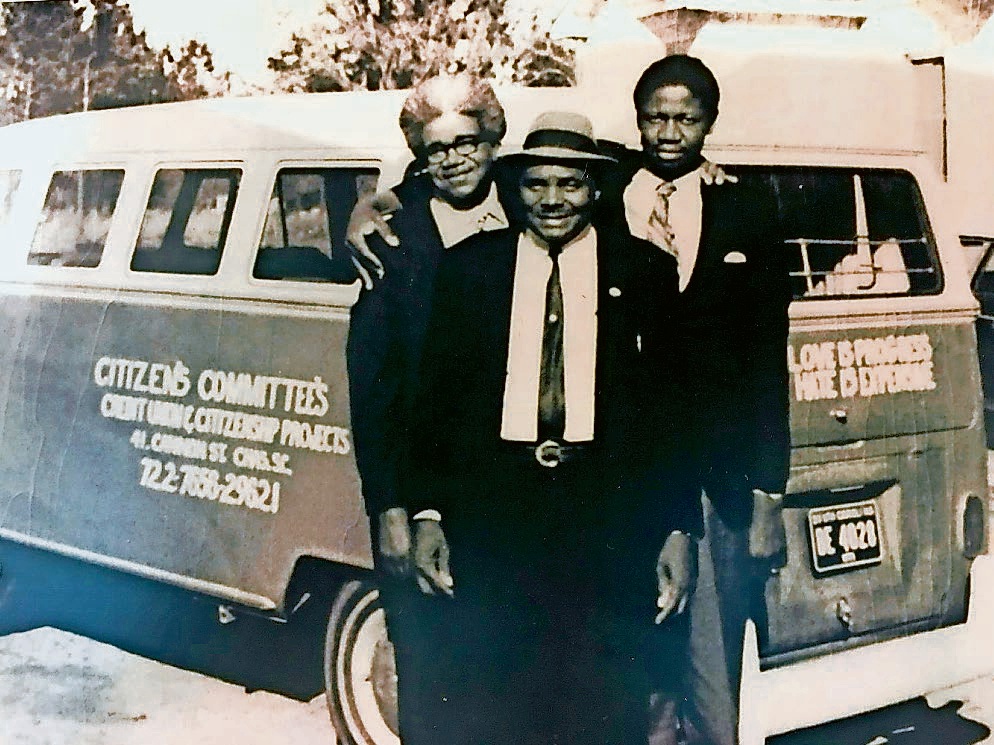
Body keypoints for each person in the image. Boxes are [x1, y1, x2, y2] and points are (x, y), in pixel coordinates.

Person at [403, 111, 702, 745]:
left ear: (595, 189)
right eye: (536, 184)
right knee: (500, 697)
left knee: (604, 699)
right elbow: (435, 397)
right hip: (496, 516)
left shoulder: (643, 269)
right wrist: (428, 513)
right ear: (517, 189)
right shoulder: (471, 268)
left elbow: (674, 413)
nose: (552, 200)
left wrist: (677, 529)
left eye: (569, 184)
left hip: (607, 517)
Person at [599, 55, 793, 745]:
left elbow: (769, 356)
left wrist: (770, 488)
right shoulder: (600, 187)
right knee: (632, 651)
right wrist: (371, 204)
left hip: (716, 474)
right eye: (656, 116)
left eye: (686, 117)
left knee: (711, 666)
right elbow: (478, 169)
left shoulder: (744, 205)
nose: (670, 131)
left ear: (710, 121)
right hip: (621, 467)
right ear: (638, 119)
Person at [345, 73, 513, 745]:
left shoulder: (532, 214)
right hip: (423, 491)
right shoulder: (390, 236)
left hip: (515, 487)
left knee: (515, 672)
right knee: (433, 674)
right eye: (436, 148)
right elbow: (373, 385)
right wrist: (388, 505)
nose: (455, 159)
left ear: (494, 141)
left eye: (468, 141)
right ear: (419, 153)